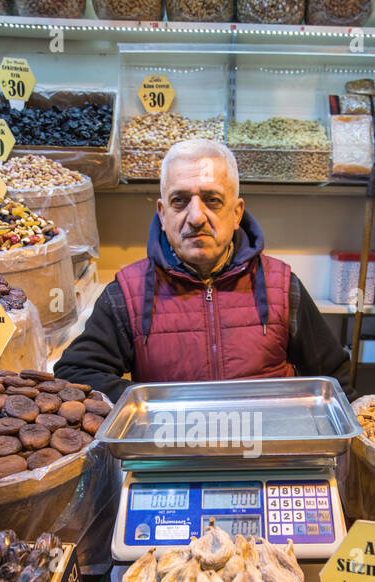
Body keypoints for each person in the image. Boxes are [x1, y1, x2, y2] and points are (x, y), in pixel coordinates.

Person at [55, 139, 353, 401]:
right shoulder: (126, 293)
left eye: (212, 200)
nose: (196, 217)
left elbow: (335, 379)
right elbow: (77, 375)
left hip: (265, 454)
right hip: (170, 456)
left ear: (236, 213)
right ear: (162, 213)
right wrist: (151, 406)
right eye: (179, 201)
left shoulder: (282, 285)